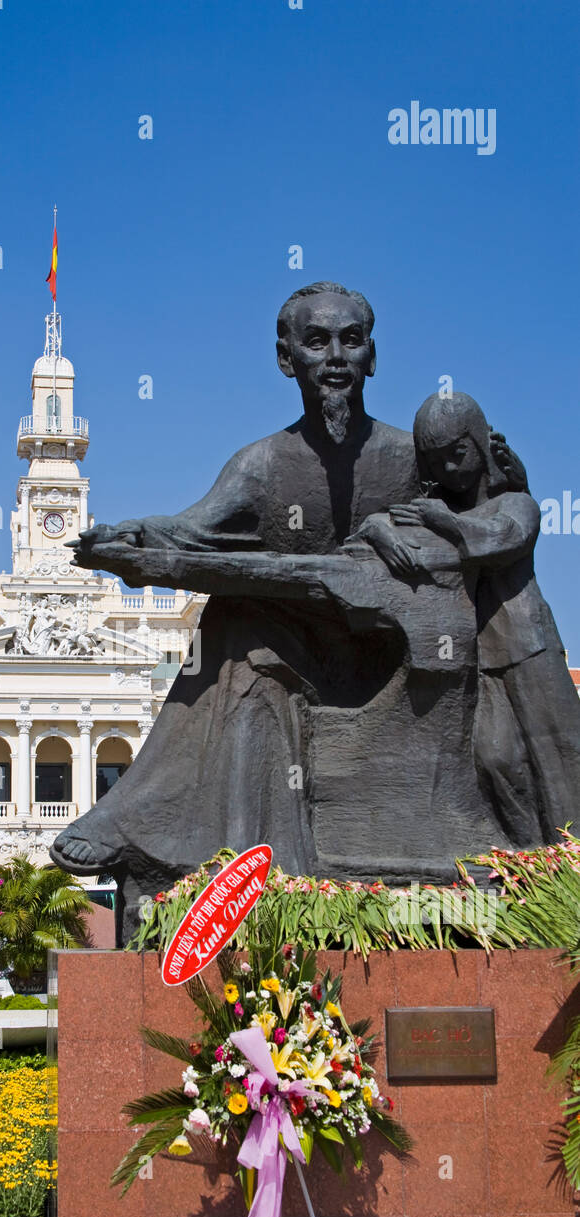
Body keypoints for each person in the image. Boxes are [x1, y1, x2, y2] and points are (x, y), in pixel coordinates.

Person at [50, 282, 429, 937]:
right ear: (288, 360)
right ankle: (206, 847)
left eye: (351, 340)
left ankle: (132, 813)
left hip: (391, 661)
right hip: (296, 659)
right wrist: (133, 537)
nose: (335, 357)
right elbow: (190, 529)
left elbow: (483, 518)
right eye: (317, 342)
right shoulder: (262, 464)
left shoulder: (410, 459)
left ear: (373, 356)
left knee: (240, 620)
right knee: (234, 621)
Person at [379, 391, 580, 844]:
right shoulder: (444, 511)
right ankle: (532, 860)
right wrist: (380, 529)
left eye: (458, 454)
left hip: (530, 649)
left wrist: (443, 521)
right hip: (483, 655)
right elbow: (387, 522)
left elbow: (500, 537)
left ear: (482, 443)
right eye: (437, 461)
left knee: (559, 761)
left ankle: (570, 862)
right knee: (496, 758)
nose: (448, 469)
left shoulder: (517, 504)